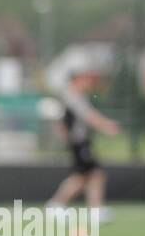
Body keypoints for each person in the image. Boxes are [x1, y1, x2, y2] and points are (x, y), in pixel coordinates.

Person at [47, 70, 119, 219]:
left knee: (87, 176)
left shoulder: (73, 96)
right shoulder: (72, 97)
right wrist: (106, 126)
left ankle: (88, 208)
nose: (87, 84)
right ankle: (61, 205)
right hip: (79, 143)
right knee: (91, 174)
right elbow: (88, 116)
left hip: (80, 142)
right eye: (84, 80)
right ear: (76, 80)